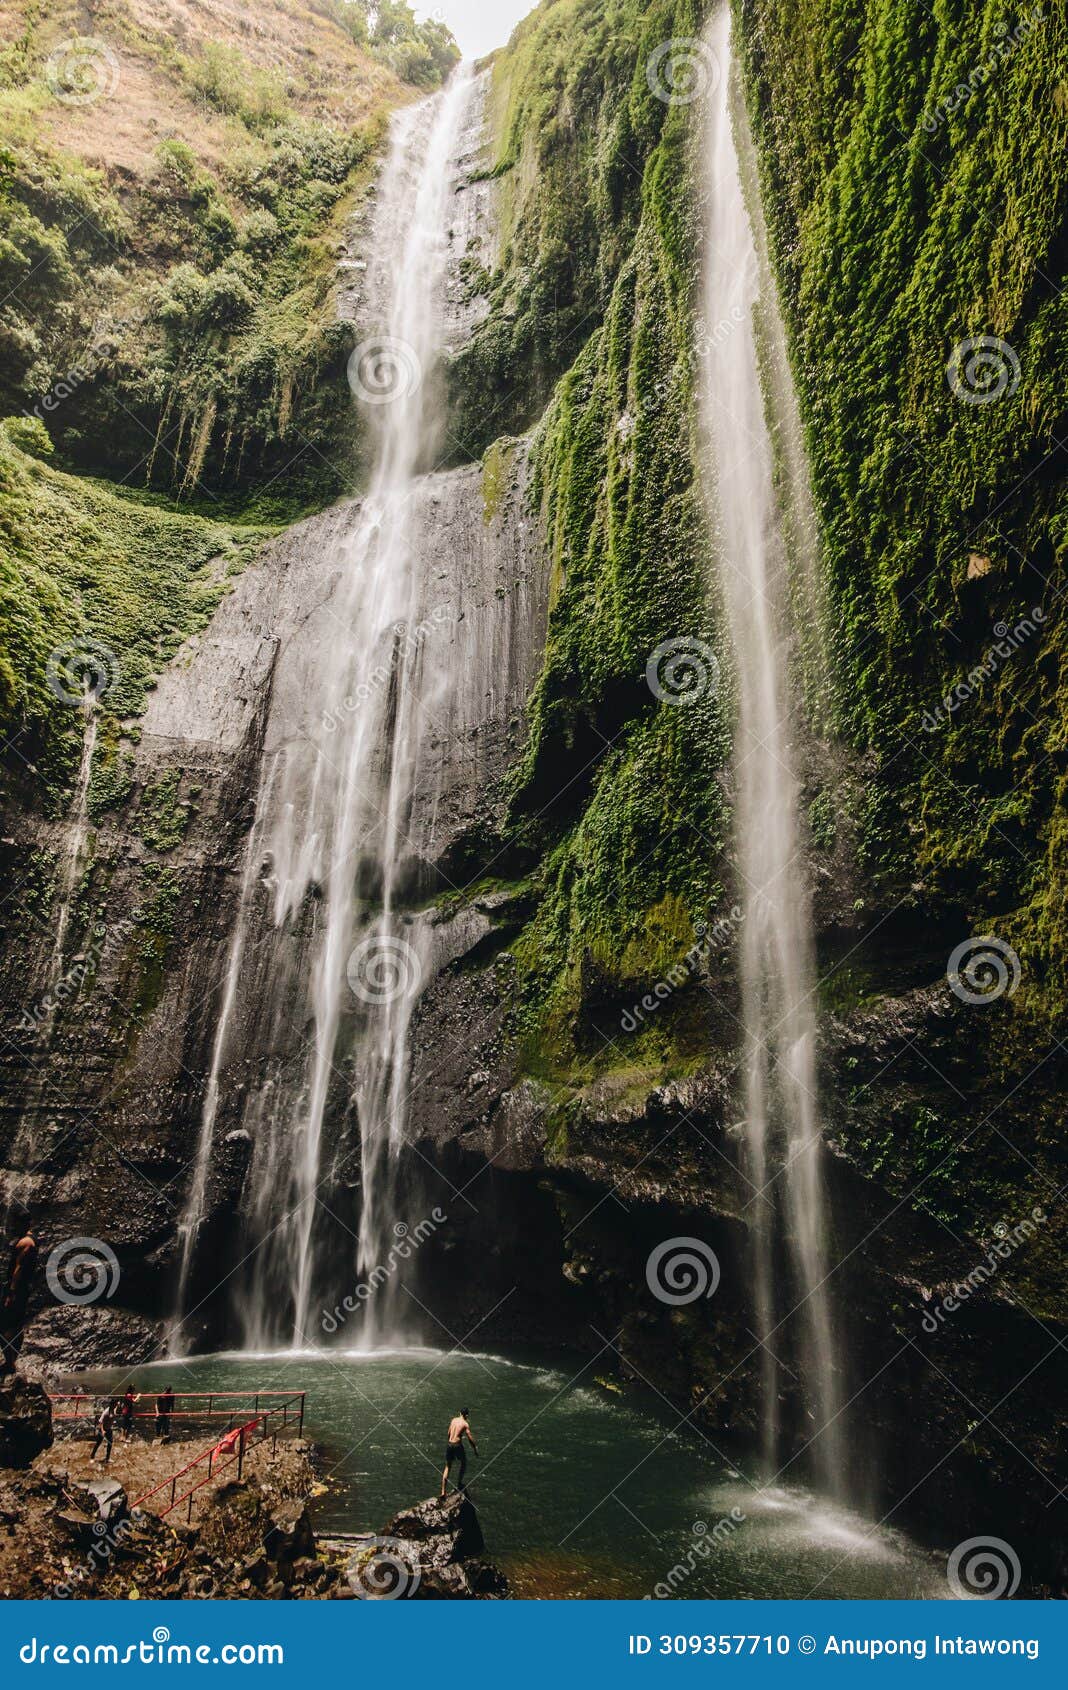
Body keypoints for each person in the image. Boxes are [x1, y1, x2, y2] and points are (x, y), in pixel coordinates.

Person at [0, 1213, 38, 1376]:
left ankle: (10, 1362)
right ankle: (10, 1362)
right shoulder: (29, 1240)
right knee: (14, 1326)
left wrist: (11, 1292)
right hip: (21, 1290)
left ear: (25, 1224)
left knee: (5, 1326)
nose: (13, 1227)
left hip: (17, 1291)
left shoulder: (26, 1242)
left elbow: (19, 1268)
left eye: (16, 1224)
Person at [440, 1407, 478, 1498]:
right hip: (457, 1445)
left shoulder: (453, 1420)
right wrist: (475, 1448)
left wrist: (450, 1443)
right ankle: (459, 1483)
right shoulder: (465, 1424)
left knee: (448, 1466)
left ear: (460, 1413)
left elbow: (448, 1433)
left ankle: (443, 1492)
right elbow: (469, 1437)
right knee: (463, 1462)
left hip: (450, 1444)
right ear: (466, 1415)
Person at [91, 1400, 116, 1465]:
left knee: (110, 1443)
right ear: (112, 1405)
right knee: (98, 1443)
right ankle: (92, 1457)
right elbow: (101, 1422)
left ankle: (107, 1458)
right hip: (103, 1429)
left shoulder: (114, 1409)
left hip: (109, 1429)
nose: (116, 1405)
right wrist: (102, 1431)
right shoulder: (106, 1412)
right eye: (116, 1404)